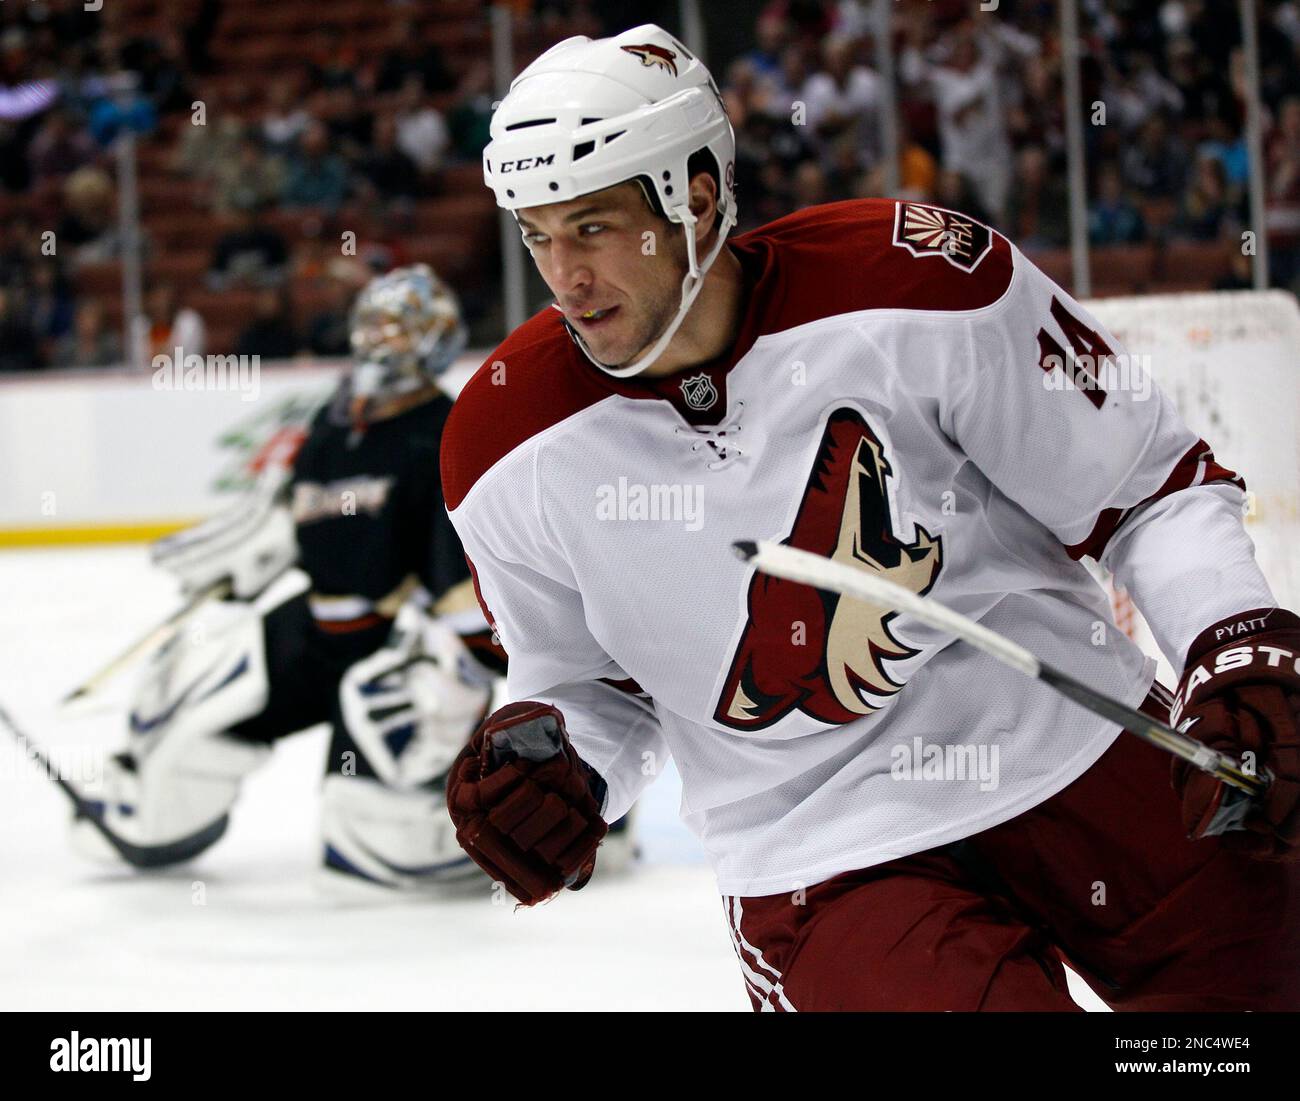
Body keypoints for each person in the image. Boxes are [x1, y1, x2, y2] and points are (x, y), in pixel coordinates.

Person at [439, 25, 1300, 1010]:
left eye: (591, 228)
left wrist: (1235, 638)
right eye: (537, 235)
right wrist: (562, 774)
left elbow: (1144, 486)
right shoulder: (502, 446)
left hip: (1075, 747)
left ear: (696, 198)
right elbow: (591, 685)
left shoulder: (917, 286)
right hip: (824, 850)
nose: (564, 276)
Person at [72, 266, 503, 891]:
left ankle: (416, 828)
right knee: (198, 696)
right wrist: (238, 559)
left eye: (397, 331)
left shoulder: (445, 434)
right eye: (373, 328)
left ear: (430, 340)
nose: (379, 343)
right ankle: (153, 814)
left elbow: (466, 581)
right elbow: (290, 514)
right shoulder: (334, 424)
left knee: (370, 823)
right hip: (316, 627)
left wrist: (459, 663)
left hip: (393, 640)